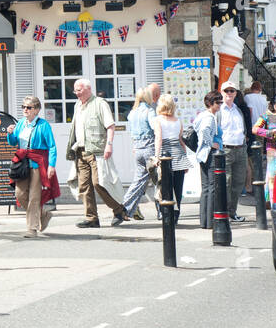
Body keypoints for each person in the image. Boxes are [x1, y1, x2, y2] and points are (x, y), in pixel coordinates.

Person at [67, 78, 126, 228]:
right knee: (84, 186)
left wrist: (109, 145)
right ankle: (92, 218)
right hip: (80, 151)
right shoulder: (77, 106)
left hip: (96, 151)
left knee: (99, 183)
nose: (76, 94)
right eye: (75, 91)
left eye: (79, 90)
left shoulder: (100, 103)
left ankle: (119, 209)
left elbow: (110, 126)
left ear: (88, 89)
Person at [7, 95, 58, 237]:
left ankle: (32, 229)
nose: (25, 110)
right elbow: (13, 142)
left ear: (36, 110)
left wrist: (51, 165)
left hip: (37, 163)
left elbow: (52, 146)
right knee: (20, 194)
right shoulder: (21, 123)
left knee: (34, 197)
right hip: (22, 163)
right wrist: (10, 133)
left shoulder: (43, 125)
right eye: (23, 107)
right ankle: (43, 214)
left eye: (28, 107)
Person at [119, 86, 160, 223]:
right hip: (149, 149)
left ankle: (125, 208)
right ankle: (163, 210)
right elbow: (155, 128)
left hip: (138, 149)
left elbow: (131, 133)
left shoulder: (132, 113)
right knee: (159, 181)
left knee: (138, 181)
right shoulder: (149, 111)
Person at [152, 94, 190, 220]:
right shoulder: (178, 120)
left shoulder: (158, 120)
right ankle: (176, 214)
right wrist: (185, 159)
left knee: (164, 185)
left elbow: (158, 139)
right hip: (178, 154)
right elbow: (181, 141)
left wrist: (156, 156)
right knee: (178, 188)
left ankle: (165, 212)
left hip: (165, 154)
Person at [216, 80, 249, 222]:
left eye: (232, 91)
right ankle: (223, 213)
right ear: (221, 93)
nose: (229, 93)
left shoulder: (238, 109)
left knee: (238, 183)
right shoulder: (219, 111)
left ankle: (232, 212)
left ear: (236, 93)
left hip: (240, 149)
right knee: (226, 183)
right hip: (226, 150)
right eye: (226, 91)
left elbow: (244, 129)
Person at [193, 90, 225, 225]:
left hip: (202, 154)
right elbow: (205, 130)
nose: (220, 105)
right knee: (212, 187)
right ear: (211, 103)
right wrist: (212, 143)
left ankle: (204, 221)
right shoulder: (209, 117)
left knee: (206, 187)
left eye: (221, 102)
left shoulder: (202, 115)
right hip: (210, 153)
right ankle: (211, 221)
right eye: (218, 102)